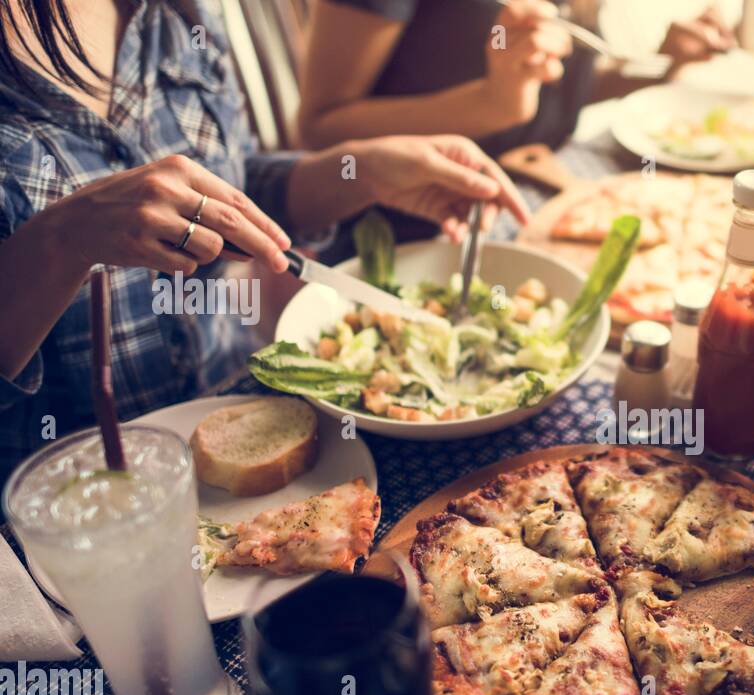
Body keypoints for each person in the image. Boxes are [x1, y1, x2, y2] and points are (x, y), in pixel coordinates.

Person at [0, 0, 526, 483]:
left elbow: (234, 186)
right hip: (74, 495)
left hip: (248, 409)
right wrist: (62, 239)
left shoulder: (179, 13)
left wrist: (358, 173)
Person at [296, 0, 736, 154]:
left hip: (536, 179)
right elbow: (320, 128)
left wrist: (661, 65)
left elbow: (561, 86)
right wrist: (491, 105)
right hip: (409, 228)